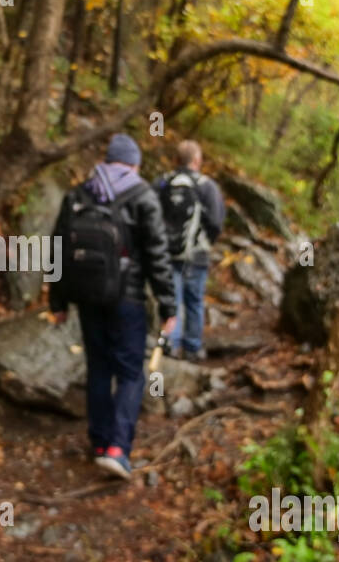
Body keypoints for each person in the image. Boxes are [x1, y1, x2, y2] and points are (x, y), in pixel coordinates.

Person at [49, 133, 177, 480]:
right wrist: (168, 305)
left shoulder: (78, 194)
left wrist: (57, 301)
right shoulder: (142, 195)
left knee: (99, 368)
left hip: (87, 297)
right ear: (134, 164)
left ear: (107, 160)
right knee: (131, 371)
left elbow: (57, 249)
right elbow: (157, 256)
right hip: (128, 300)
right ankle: (118, 449)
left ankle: (100, 442)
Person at [155, 139, 225, 362]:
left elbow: (149, 217)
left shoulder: (162, 183)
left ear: (176, 160)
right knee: (194, 300)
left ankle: (171, 345)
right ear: (197, 161)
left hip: (166, 253)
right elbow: (216, 221)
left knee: (171, 297)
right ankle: (193, 347)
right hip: (197, 254)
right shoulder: (207, 186)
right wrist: (205, 242)